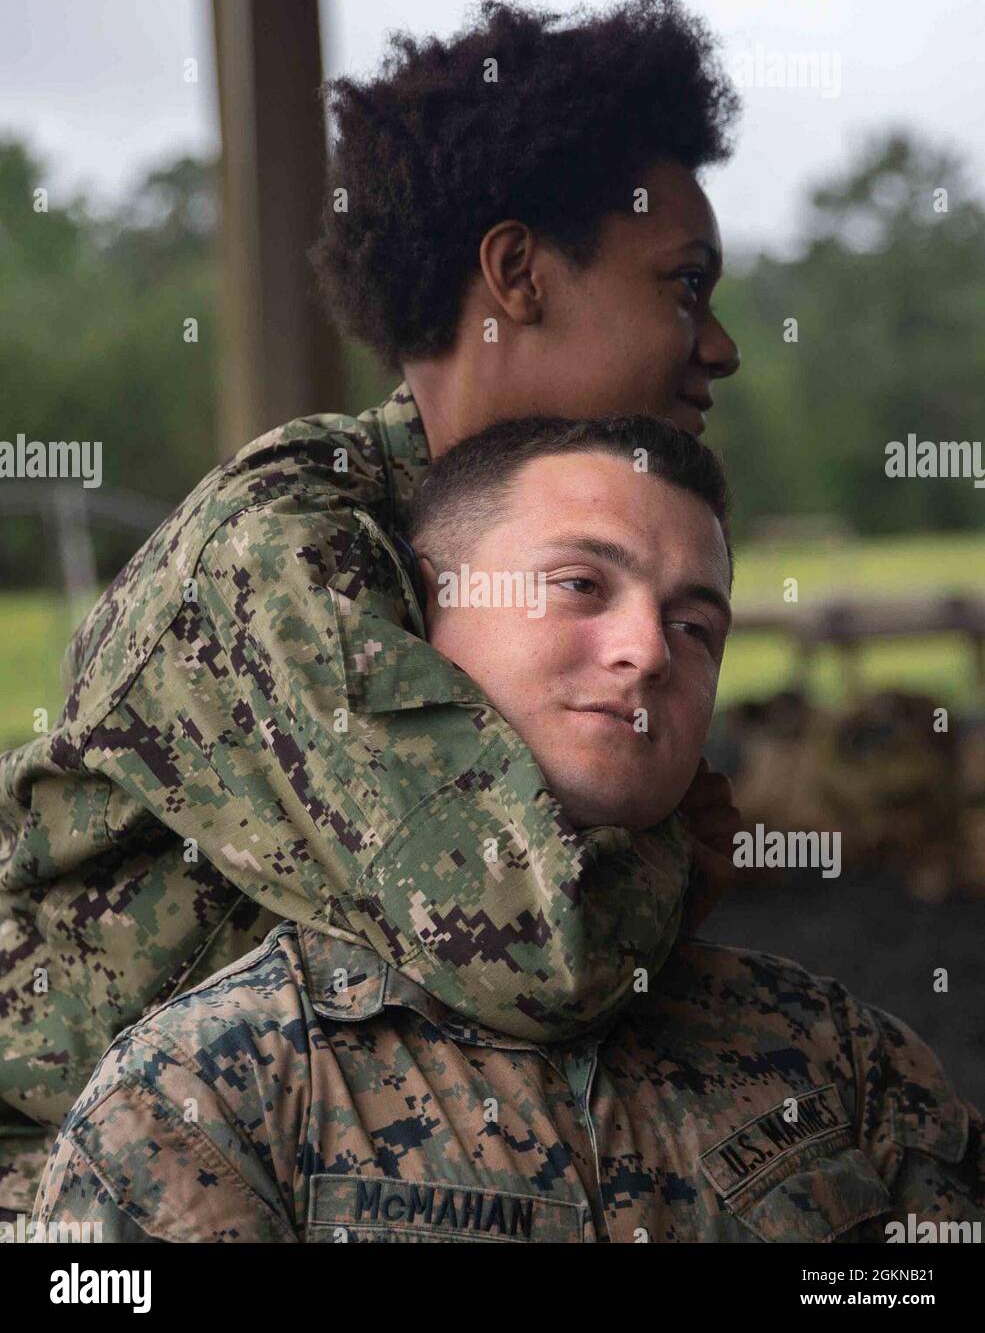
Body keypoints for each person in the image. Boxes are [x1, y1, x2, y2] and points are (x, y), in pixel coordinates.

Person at [0, 0, 741, 1219]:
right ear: (518, 274)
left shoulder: (533, 538)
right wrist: (670, 824)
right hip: (98, 1184)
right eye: (683, 283)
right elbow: (537, 937)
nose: (718, 344)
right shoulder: (283, 549)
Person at [33, 416, 984, 1243]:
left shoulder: (842, 1060)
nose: (647, 651)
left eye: (696, 627)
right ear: (423, 627)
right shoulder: (204, 1100)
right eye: (578, 585)